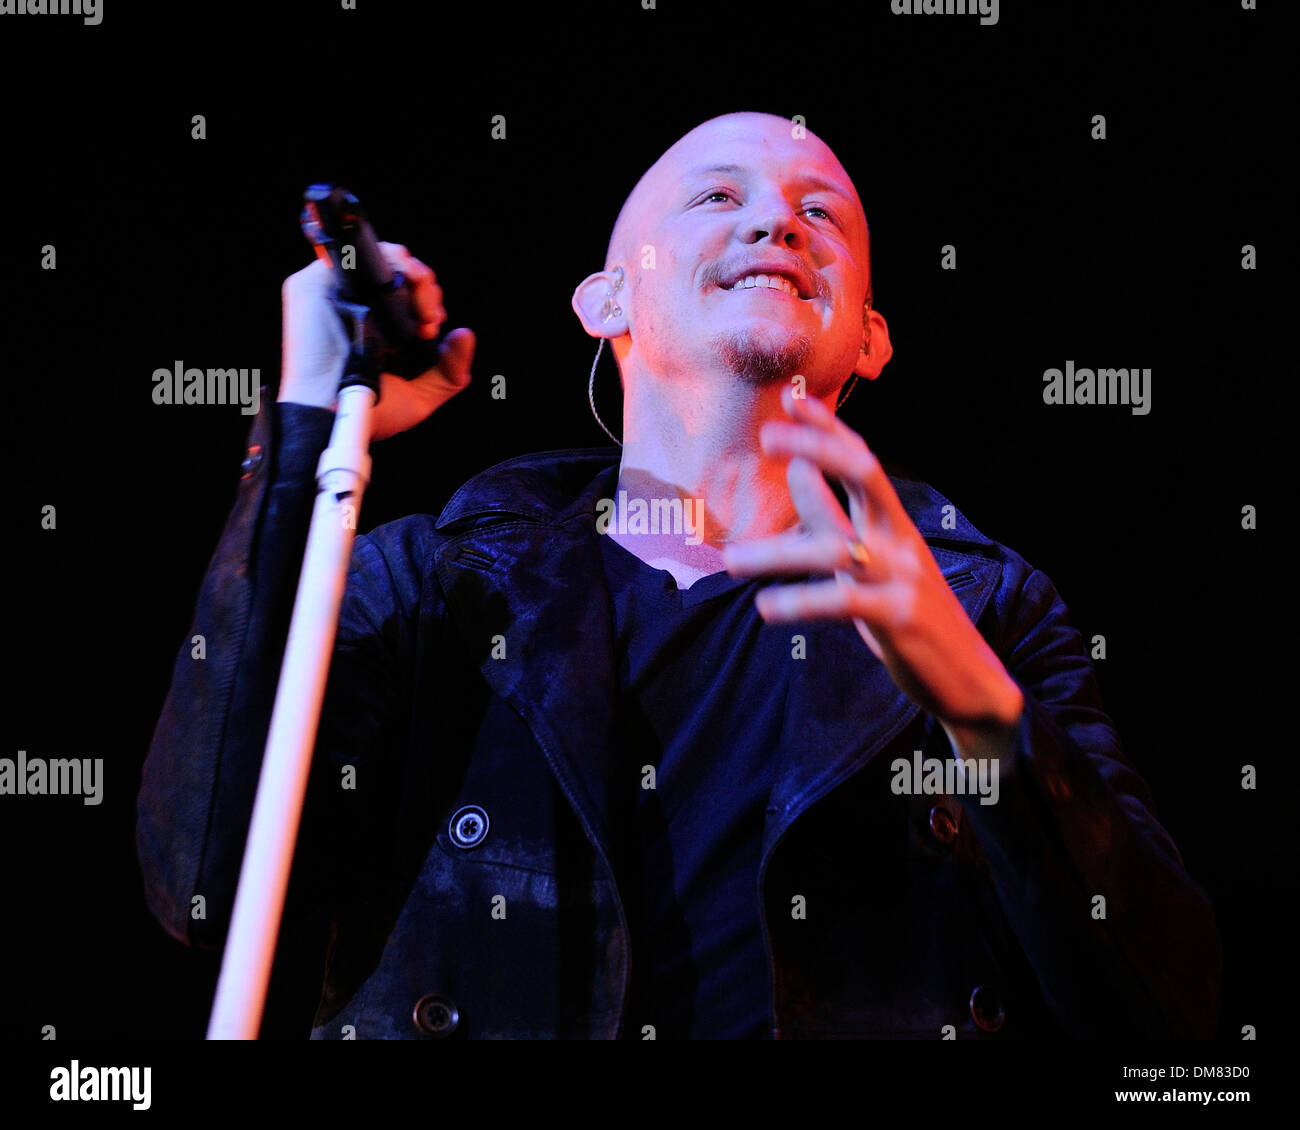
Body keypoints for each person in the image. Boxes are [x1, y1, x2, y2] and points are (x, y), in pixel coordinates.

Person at [137, 111, 1222, 1040]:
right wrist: (308, 432)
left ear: (873, 340)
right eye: (716, 195)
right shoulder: (437, 590)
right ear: (604, 301)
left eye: (823, 214)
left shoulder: (987, 608)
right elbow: (203, 881)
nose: (775, 221)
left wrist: (985, 715)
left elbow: (1163, 1009)